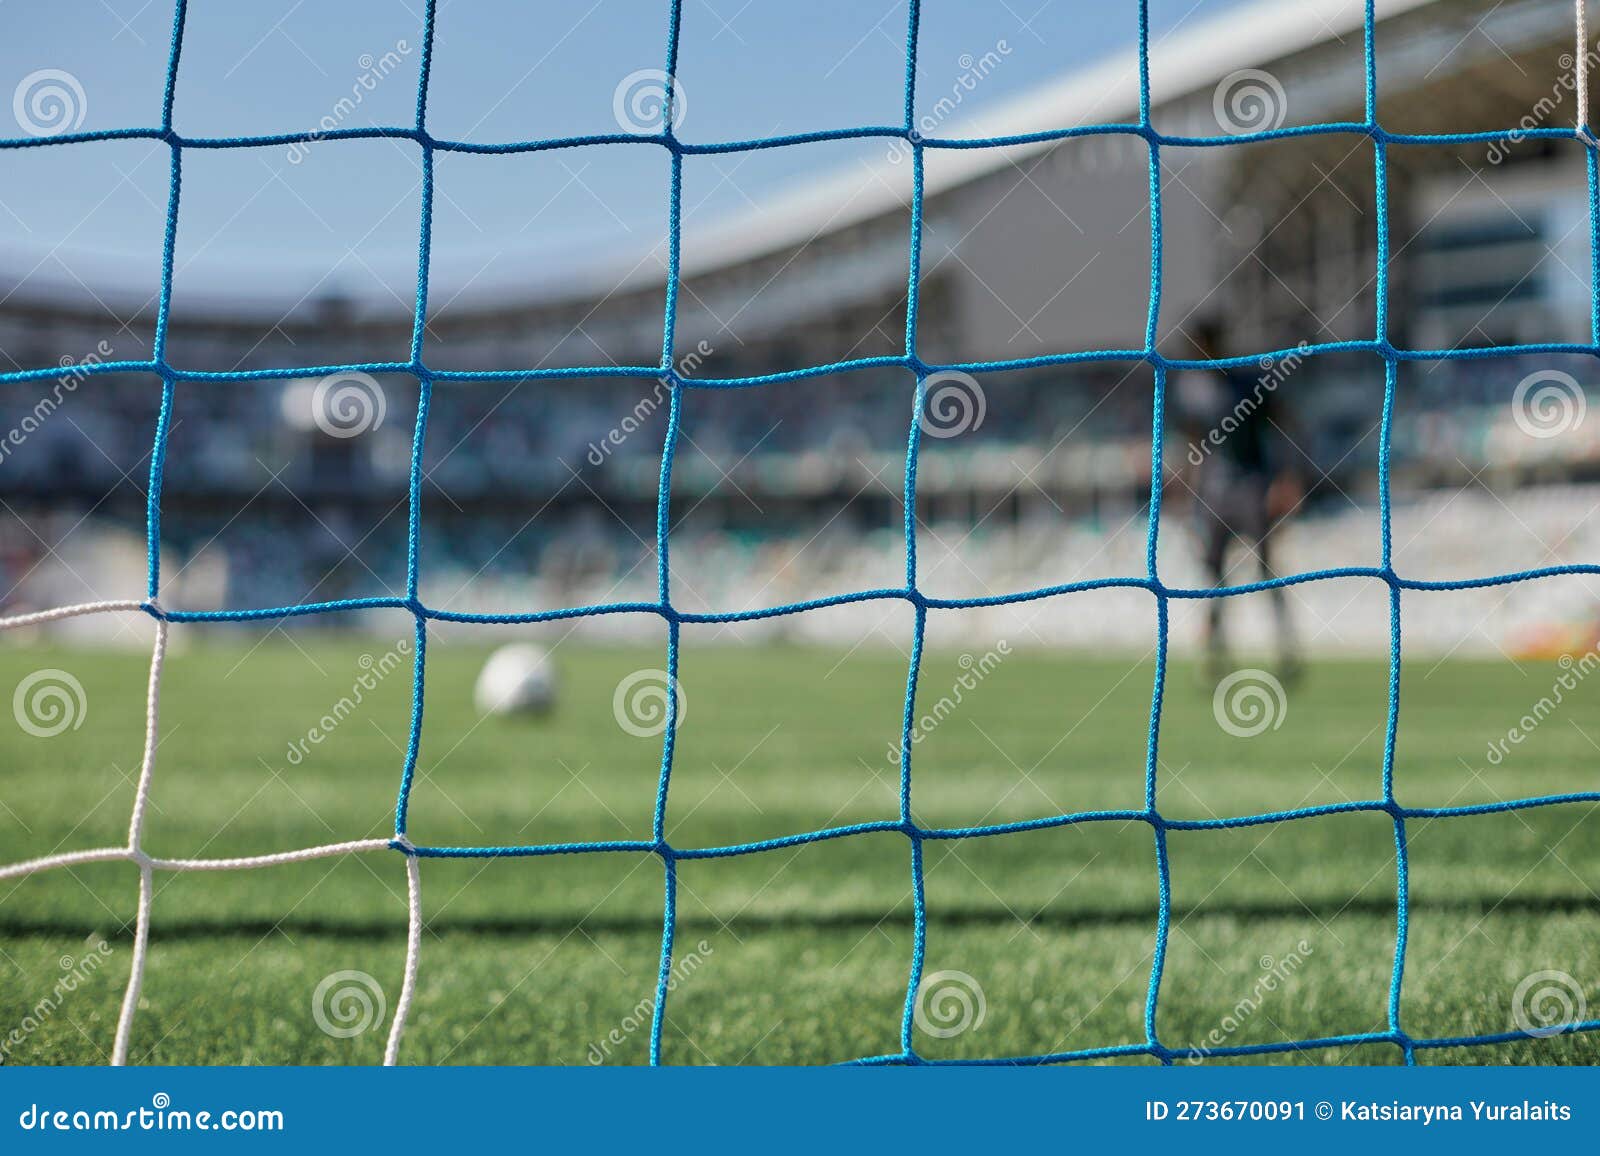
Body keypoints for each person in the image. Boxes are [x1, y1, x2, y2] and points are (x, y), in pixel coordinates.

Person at [1171, 320, 1303, 682]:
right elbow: (1192, 445)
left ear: (1214, 344)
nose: (1196, 355)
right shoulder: (1192, 392)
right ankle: (1216, 657)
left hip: (1252, 489)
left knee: (1265, 570)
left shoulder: (1247, 383)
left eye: (1201, 346)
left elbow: (1284, 425)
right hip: (1213, 495)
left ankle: (1286, 649)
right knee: (1213, 576)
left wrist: (1286, 478)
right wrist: (1186, 492)